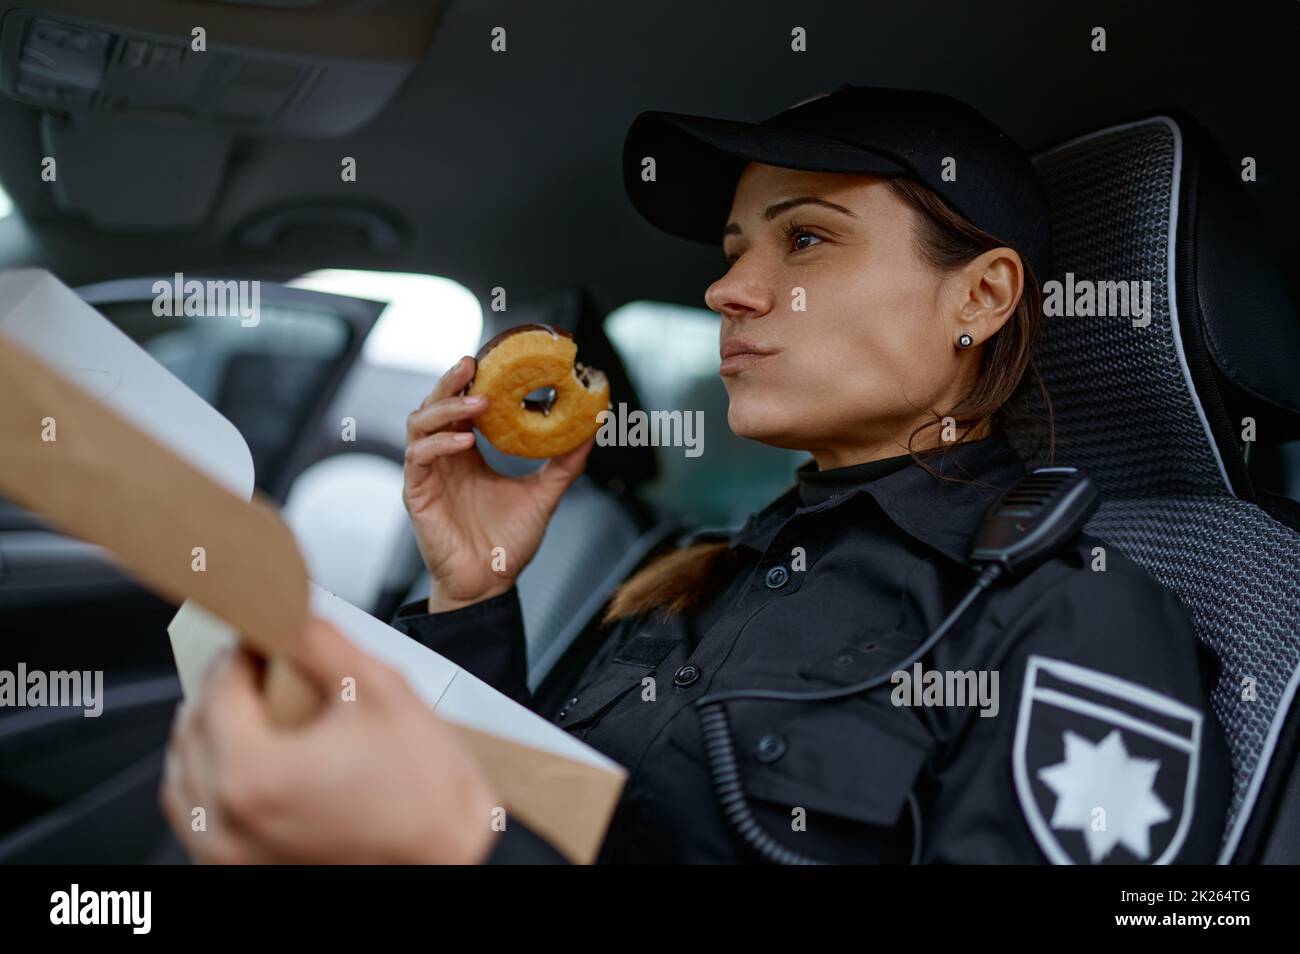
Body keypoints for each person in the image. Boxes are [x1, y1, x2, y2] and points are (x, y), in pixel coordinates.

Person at [162, 85, 1231, 865]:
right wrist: (475, 592)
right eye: (731, 250)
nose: (727, 290)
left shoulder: (1072, 620)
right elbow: (548, 808)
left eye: (804, 240)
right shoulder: (705, 566)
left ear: (981, 297)